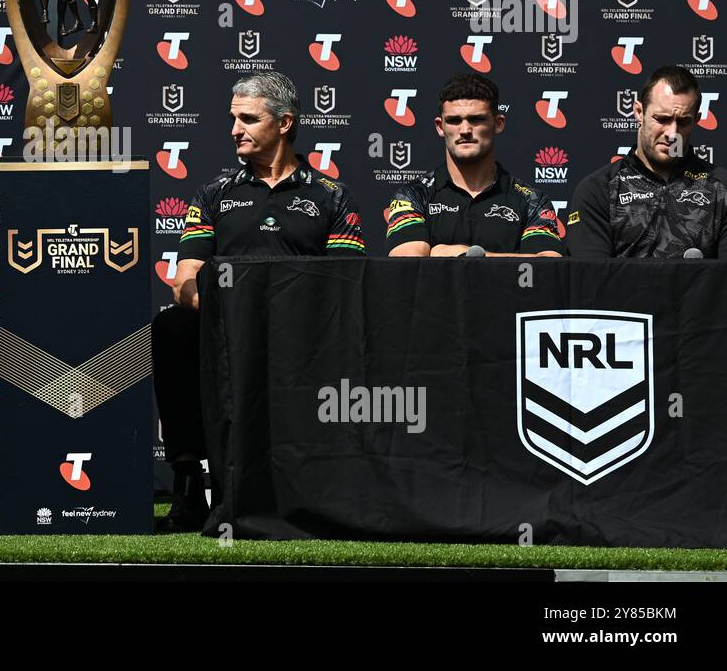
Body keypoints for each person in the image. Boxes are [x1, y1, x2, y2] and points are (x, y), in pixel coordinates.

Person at [155, 72, 366, 531]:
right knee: (172, 324)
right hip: (227, 329)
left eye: (248, 119)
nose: (235, 130)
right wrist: (223, 314)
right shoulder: (214, 194)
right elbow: (185, 279)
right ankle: (188, 480)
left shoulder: (331, 196)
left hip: (306, 333)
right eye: (233, 119)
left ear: (285, 123)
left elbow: (345, 283)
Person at [385, 73, 563, 258]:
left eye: (476, 119)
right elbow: (406, 266)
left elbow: (548, 267)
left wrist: (465, 254)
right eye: (454, 120)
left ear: (498, 123)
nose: (465, 130)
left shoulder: (531, 200)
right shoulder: (413, 195)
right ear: (440, 126)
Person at [568, 65, 727, 257]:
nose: (672, 134)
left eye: (683, 121)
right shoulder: (598, 190)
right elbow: (591, 278)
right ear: (638, 112)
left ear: (697, 120)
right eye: (662, 119)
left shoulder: (721, 187)